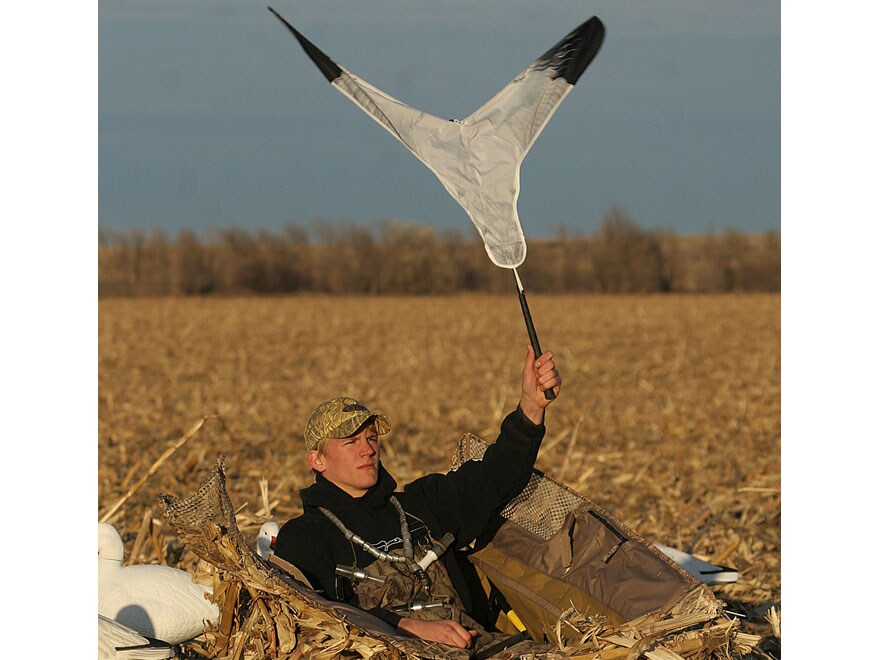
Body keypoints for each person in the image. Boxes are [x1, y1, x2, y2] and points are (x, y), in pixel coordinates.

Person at [273, 346, 561, 651]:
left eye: (371, 438)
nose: (368, 449)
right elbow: (317, 619)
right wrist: (408, 628)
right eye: (351, 441)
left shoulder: (422, 506)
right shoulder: (305, 537)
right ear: (317, 460)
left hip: (479, 648)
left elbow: (495, 476)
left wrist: (531, 408)